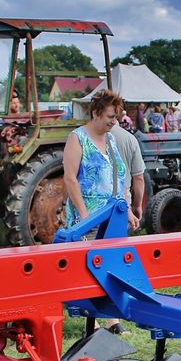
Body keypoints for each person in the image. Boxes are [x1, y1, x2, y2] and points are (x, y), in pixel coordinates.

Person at [62, 90, 132, 335]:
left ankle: (111, 318)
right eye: (111, 116)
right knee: (88, 269)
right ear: (95, 113)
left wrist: (128, 208)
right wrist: (83, 215)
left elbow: (119, 176)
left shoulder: (111, 140)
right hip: (89, 216)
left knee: (110, 268)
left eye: (117, 117)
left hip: (112, 217)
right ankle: (91, 320)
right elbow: (70, 179)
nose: (115, 121)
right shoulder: (77, 138)